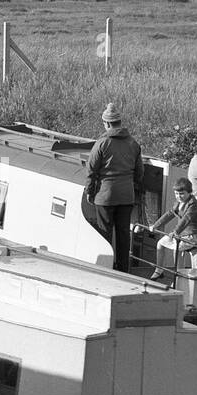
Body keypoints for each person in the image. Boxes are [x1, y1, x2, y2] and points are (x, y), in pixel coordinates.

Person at [85, 103, 142, 273]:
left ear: (107, 124)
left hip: (105, 195)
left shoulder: (102, 143)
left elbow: (91, 170)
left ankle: (106, 269)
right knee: (124, 233)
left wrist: (90, 191)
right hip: (126, 195)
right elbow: (140, 172)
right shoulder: (133, 143)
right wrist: (134, 188)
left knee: (105, 233)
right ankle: (123, 269)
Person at [145, 178, 197, 278]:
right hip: (182, 234)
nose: (179, 196)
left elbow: (186, 220)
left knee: (176, 248)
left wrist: (175, 232)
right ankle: (159, 269)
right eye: (176, 194)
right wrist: (156, 225)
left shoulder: (193, 205)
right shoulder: (178, 203)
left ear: (189, 193)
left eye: (182, 194)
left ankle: (178, 276)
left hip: (193, 235)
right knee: (160, 244)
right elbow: (169, 214)